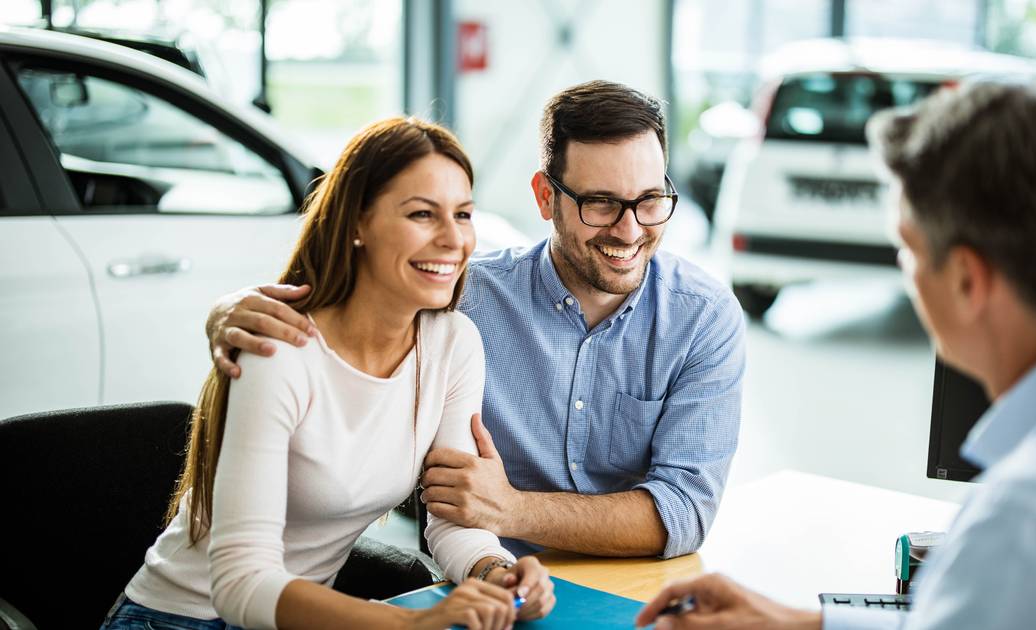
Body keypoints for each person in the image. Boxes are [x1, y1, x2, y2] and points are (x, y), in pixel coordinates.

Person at [636, 78, 1036, 630]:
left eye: (908, 250)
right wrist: (804, 624)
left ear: (967, 281)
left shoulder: (1031, 521)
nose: (907, 276)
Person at [204, 81, 746, 559]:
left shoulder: (701, 317)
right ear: (545, 197)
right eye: (600, 204)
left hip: (633, 591)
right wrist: (227, 311)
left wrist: (512, 510)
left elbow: (684, 512)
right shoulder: (463, 299)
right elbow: (348, 302)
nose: (629, 230)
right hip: (482, 580)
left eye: (649, 200)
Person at [102, 117, 554, 630]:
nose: (454, 239)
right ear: (357, 223)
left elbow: (452, 517)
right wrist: (409, 624)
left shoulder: (453, 343)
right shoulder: (280, 349)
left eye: (463, 214)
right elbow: (239, 584)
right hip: (177, 619)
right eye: (422, 214)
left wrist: (497, 572)